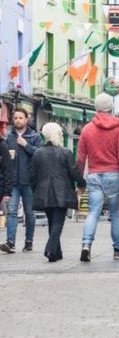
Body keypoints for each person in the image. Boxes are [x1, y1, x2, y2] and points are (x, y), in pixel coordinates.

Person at [77, 92, 119, 262]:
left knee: (93, 211)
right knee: (115, 214)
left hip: (94, 175)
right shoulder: (118, 128)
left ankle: (86, 245)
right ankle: (117, 249)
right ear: (111, 107)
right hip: (113, 175)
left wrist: (79, 179)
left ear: (95, 107)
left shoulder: (87, 129)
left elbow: (80, 157)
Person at [30, 123, 85, 262]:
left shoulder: (37, 153)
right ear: (58, 134)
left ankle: (56, 254)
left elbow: (32, 175)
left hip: (43, 192)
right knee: (57, 223)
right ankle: (50, 248)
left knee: (52, 222)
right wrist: (81, 182)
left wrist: (34, 189)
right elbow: (73, 172)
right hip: (62, 192)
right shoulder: (65, 152)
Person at [0, 109, 43, 254]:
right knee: (12, 212)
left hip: (29, 181)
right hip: (13, 181)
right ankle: (10, 242)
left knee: (29, 213)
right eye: (15, 118)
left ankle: (29, 241)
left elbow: (40, 155)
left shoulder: (34, 136)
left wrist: (26, 145)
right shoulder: (8, 137)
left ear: (26, 119)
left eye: (20, 118)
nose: (17, 120)